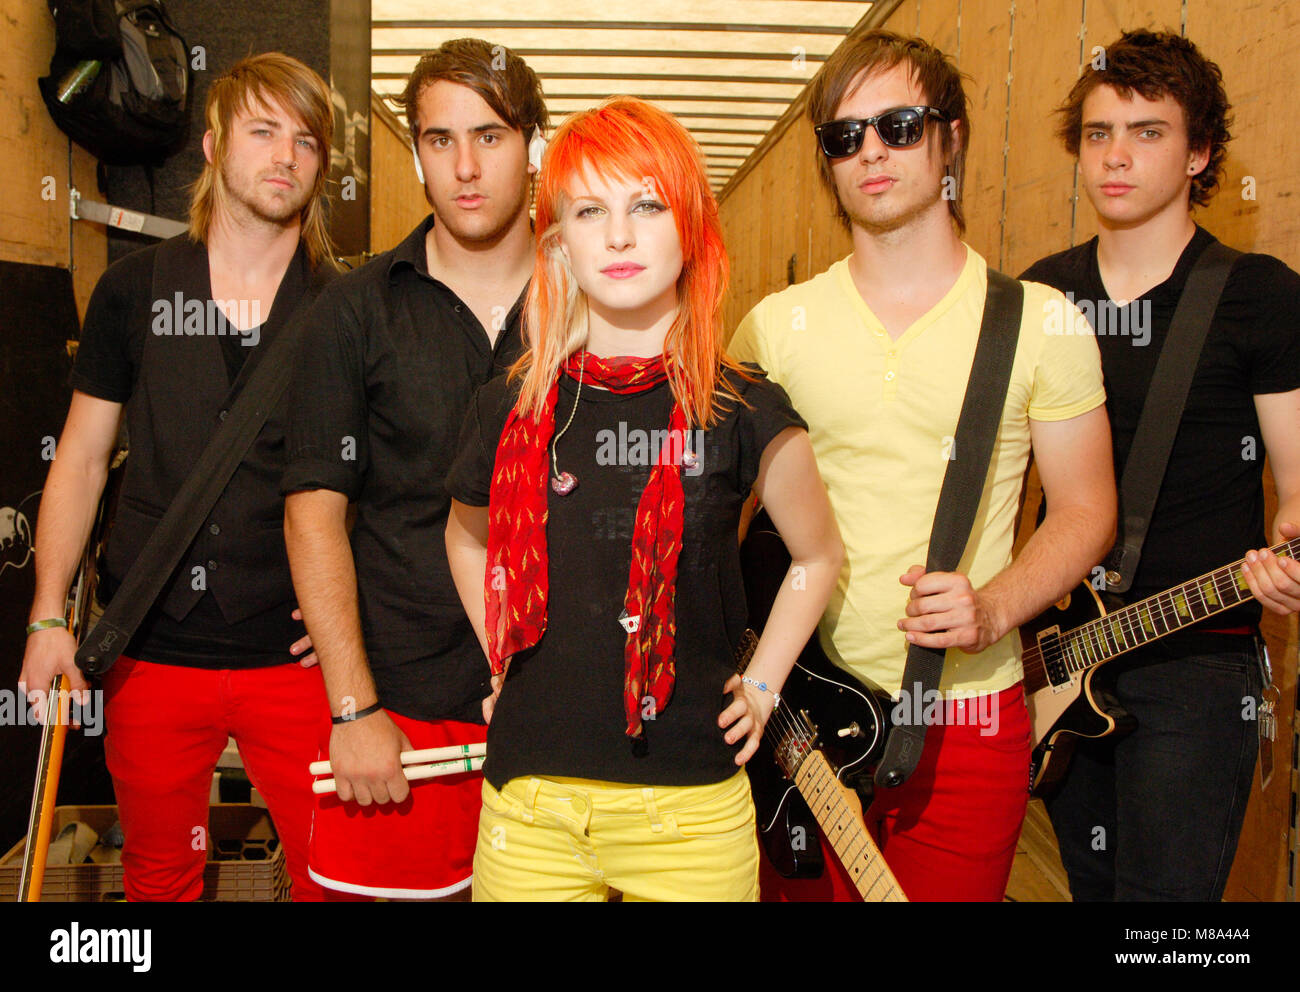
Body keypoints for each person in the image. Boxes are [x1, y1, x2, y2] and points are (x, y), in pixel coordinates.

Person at [729, 30, 1117, 901]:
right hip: (800, 716)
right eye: (845, 136)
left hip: (966, 719)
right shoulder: (774, 329)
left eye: (899, 126)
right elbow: (724, 524)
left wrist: (996, 607)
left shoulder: (1042, 322)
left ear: (951, 139)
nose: (871, 151)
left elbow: (1088, 511)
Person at [443, 96, 843, 902]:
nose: (619, 236)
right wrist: (500, 648)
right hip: (531, 808)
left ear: (691, 228)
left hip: (691, 813)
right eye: (590, 211)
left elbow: (818, 554)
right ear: (559, 240)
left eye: (647, 206)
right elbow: (466, 535)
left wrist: (764, 686)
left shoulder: (742, 408)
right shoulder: (511, 407)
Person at [19, 52, 339, 901]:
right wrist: (47, 612)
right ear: (214, 144)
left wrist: (354, 619)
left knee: (334, 879)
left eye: (306, 141)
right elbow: (81, 458)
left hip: (297, 661)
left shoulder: (347, 307)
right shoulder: (132, 291)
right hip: (151, 650)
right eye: (262, 131)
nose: (285, 155)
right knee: (159, 878)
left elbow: (382, 480)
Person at [1020, 29, 1300, 901]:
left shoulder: (1259, 294)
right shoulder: (1040, 295)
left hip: (1196, 660)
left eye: (1148, 132)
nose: (1116, 155)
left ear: (1199, 153)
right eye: (1098, 133)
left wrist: (1289, 554)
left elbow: (1297, 497)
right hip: (1062, 653)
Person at [281, 39, 545, 900]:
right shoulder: (351, 313)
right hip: (403, 709)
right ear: (417, 154)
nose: (464, 167)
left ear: (532, 144)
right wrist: (353, 708)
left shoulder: (597, 302)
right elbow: (313, 511)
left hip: (564, 707)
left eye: (490, 136)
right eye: (439, 139)